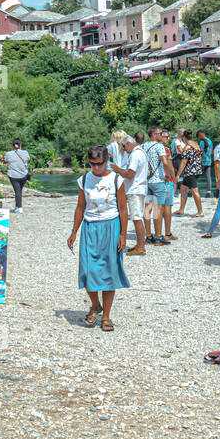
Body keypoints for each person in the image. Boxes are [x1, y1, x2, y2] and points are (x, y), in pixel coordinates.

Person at [67, 144, 130, 332]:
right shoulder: (84, 179)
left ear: (106, 161)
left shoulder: (116, 179)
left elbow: (122, 208)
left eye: (100, 164)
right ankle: (95, 305)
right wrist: (74, 231)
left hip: (111, 226)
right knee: (87, 271)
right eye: (93, 164)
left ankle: (106, 316)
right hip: (90, 226)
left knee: (109, 272)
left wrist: (123, 234)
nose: (96, 168)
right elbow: (80, 206)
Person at [112, 134, 148, 255]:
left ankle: (141, 247)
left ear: (128, 144)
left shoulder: (135, 154)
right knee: (137, 217)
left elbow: (130, 174)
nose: (123, 149)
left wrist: (117, 170)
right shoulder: (140, 152)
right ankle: (139, 244)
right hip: (138, 188)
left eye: (123, 146)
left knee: (137, 218)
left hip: (135, 190)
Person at [139, 126, 175, 245]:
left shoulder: (143, 146)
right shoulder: (159, 147)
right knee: (158, 209)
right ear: (154, 134)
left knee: (147, 209)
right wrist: (168, 175)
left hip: (146, 181)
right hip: (158, 181)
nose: (161, 135)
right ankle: (159, 236)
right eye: (160, 133)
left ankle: (149, 236)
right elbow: (165, 162)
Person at [173, 129, 204, 216]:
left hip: (190, 172)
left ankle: (200, 211)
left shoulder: (187, 147)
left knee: (194, 191)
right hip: (196, 170)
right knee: (183, 189)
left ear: (184, 137)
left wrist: (178, 175)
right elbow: (200, 157)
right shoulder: (196, 145)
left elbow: (183, 162)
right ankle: (181, 209)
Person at [5, 139, 32, 213]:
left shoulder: (8, 153)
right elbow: (28, 160)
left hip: (13, 175)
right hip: (23, 175)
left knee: (17, 191)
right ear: (20, 145)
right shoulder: (25, 153)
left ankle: (19, 207)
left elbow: (6, 160)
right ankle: (18, 206)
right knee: (19, 191)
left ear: (13, 145)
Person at [197, 129, 215, 199]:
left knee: (195, 175)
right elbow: (211, 152)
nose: (198, 138)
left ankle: (192, 190)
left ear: (200, 135)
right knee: (208, 177)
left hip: (202, 162)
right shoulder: (210, 141)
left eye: (198, 136)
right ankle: (208, 192)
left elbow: (200, 152)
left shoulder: (202, 142)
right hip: (209, 161)